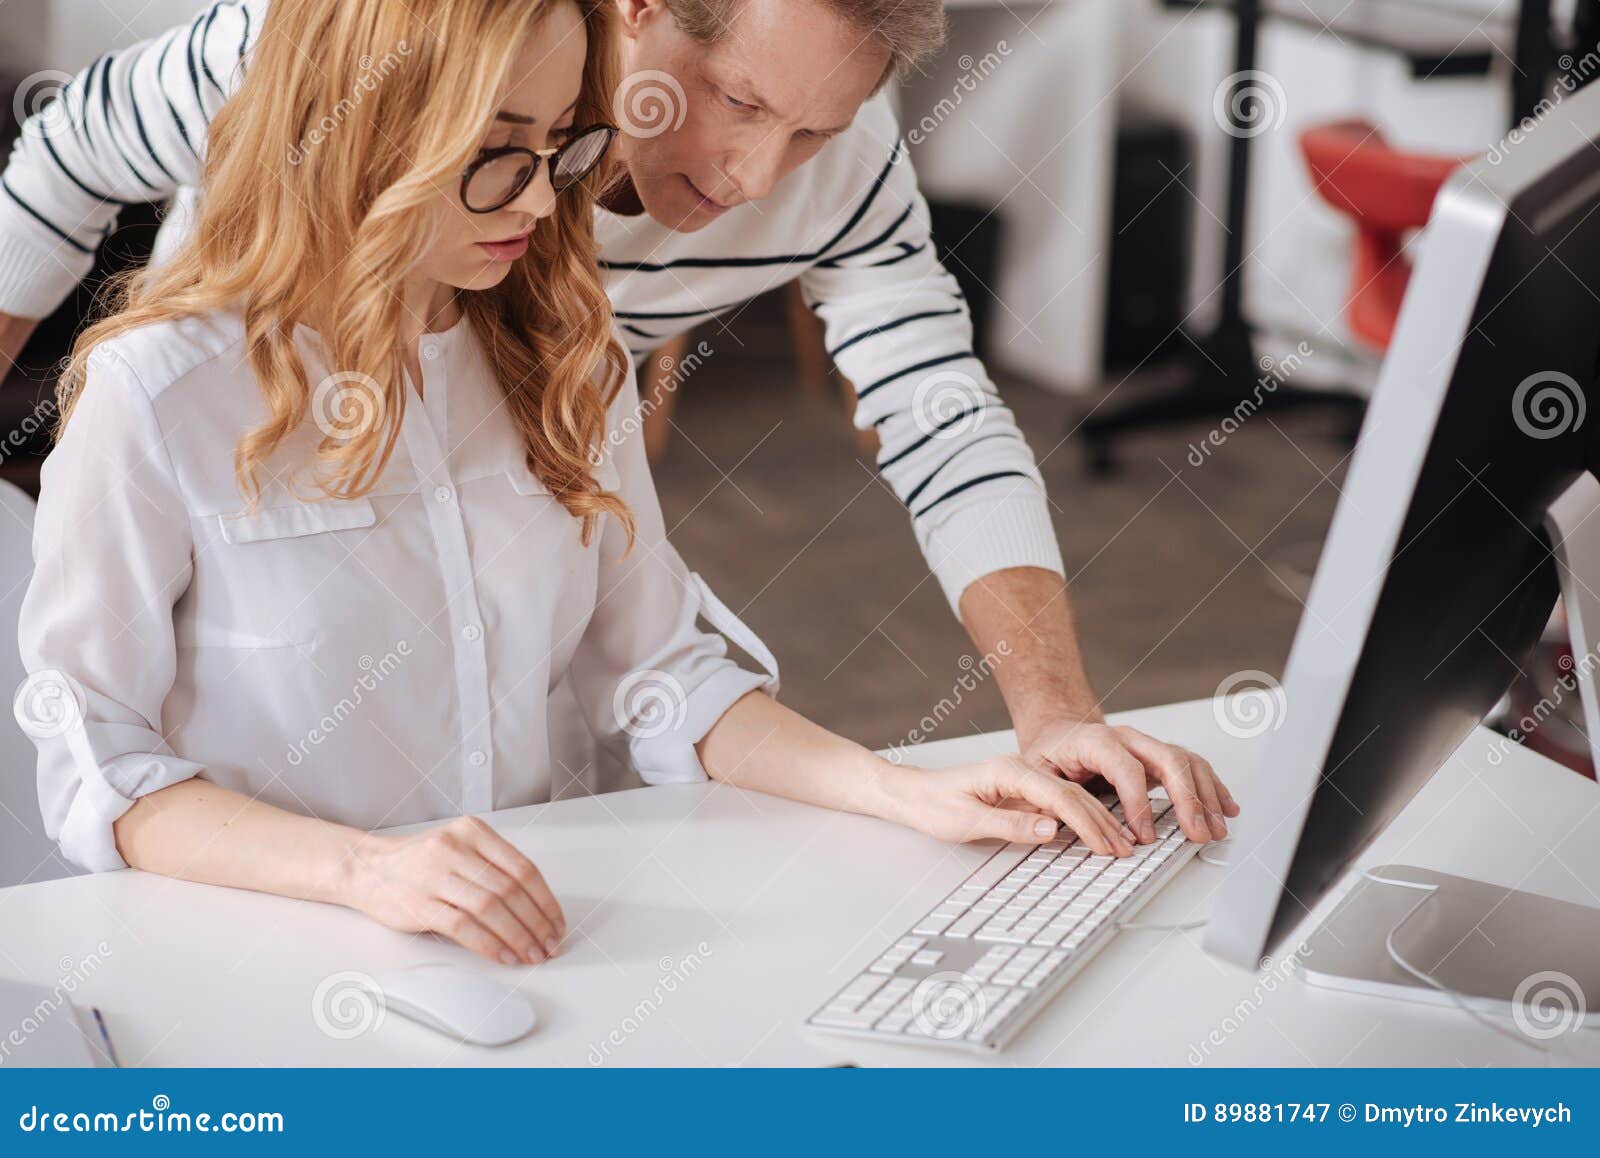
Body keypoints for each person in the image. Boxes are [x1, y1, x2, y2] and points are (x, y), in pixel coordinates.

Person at [15, 0, 1237, 968]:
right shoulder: (171, 369)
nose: (762, 180)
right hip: (263, 934)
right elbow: (100, 759)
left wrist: (947, 773)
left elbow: (662, 664)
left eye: (563, 154)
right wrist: (358, 872)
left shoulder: (565, 351)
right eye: (742, 102)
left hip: (528, 926)